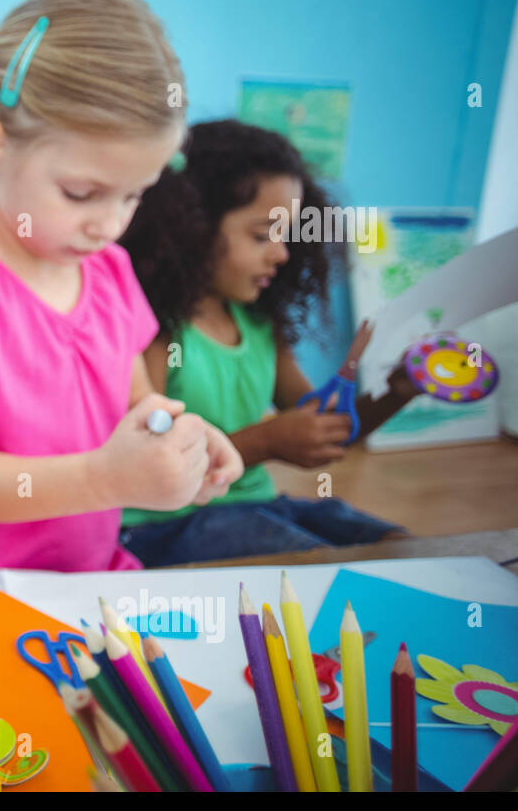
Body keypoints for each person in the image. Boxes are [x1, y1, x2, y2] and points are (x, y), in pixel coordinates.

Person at [0, 0, 243, 578]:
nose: (110, 224)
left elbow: (138, 403)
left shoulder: (109, 271)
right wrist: (106, 478)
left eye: (133, 196)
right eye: (81, 193)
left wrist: (182, 436)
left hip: (96, 578)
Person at [118, 119, 419, 566]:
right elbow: (149, 457)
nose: (281, 253)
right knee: (313, 561)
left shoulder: (260, 325)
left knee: (396, 544)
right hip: (161, 525)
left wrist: (396, 394)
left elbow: (330, 426)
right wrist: (263, 442)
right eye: (262, 236)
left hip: (252, 507)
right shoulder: (156, 332)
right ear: (191, 227)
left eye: (286, 236)